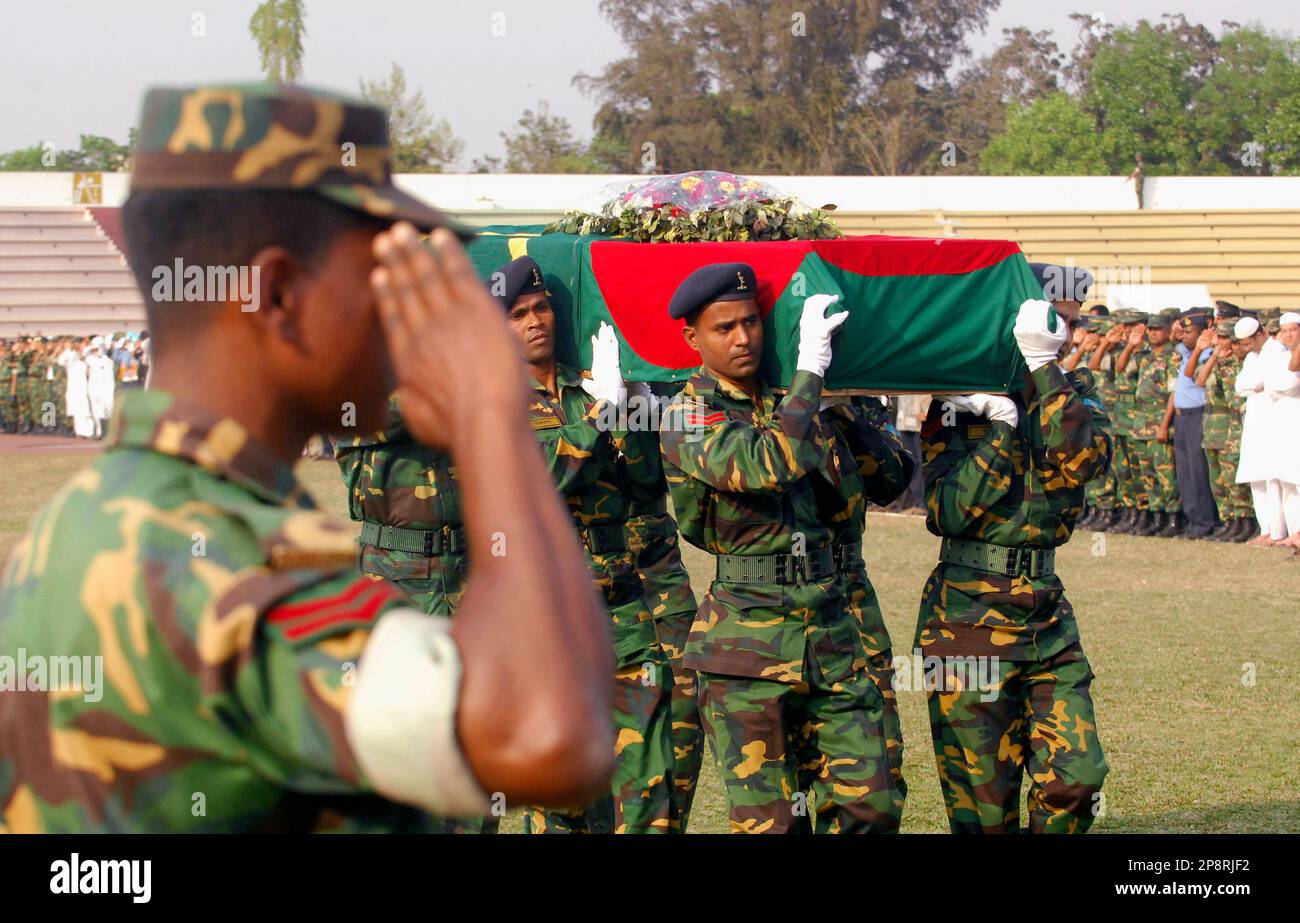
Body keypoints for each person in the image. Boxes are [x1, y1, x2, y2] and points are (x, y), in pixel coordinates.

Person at [0, 83, 615, 832]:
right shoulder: (243, 569)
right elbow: (552, 737)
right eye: (375, 276)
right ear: (282, 293)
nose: (399, 313)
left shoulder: (74, 524)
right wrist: (493, 417)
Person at [659, 263, 901, 834]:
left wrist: (843, 407)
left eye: (751, 322)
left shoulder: (802, 398)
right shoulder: (687, 415)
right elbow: (765, 464)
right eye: (725, 329)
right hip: (746, 638)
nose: (743, 338)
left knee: (871, 803)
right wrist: (809, 377)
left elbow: (889, 481)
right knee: (769, 823)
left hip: (832, 628)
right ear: (693, 338)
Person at [917, 264, 1110, 833]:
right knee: (983, 805)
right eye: (1056, 323)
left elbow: (1084, 460)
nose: (1066, 336)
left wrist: (1044, 371)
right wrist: (1000, 429)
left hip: (1046, 614)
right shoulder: (958, 399)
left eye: (1069, 326)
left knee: (1077, 778)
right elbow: (947, 512)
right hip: (967, 619)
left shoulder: (1077, 394)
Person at [496, 255, 676, 834]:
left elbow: (647, 486)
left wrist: (629, 407)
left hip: (622, 612)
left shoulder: (590, 388)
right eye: (518, 314)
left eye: (542, 308)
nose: (534, 321)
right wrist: (602, 413)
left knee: (649, 785)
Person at [334, 398, 496, 833]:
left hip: (466, 569)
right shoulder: (361, 372)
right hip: (392, 576)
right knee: (394, 734)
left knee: (471, 735)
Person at [824, 395, 915, 815]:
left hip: (849, 594)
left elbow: (892, 480)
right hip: (769, 598)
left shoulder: (859, 397)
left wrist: (842, 409)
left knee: (879, 766)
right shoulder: (750, 392)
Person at [619, 427, 705, 830]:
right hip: (573, 598)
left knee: (676, 758)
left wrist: (633, 405)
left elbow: (661, 477)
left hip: (661, 594)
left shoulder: (655, 391)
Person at [1197, 318, 1258, 542]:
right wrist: (1213, 356)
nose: (1224, 344)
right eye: (1220, 338)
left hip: (1232, 425)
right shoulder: (1219, 362)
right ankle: (1229, 520)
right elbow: (1200, 380)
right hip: (1212, 426)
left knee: (1233, 476)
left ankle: (1246, 521)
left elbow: (1235, 400)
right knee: (1218, 478)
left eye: (1228, 339)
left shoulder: (1240, 363)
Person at [1233, 316, 1288, 547]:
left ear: (1259, 334)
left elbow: (1270, 383)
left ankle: (1277, 532)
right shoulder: (1252, 357)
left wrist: (1256, 385)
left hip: (1272, 420)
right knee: (1255, 477)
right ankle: (1265, 528)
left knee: (1271, 479)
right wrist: (1255, 386)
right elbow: (1241, 386)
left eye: (1249, 343)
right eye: (1243, 344)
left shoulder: (1276, 351)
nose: (1246, 348)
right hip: (1255, 420)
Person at [1168, 310, 1219, 539]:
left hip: (1197, 415)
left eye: (1190, 333)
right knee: (1185, 471)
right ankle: (1192, 520)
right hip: (1181, 417)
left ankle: (1205, 521)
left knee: (1198, 471)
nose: (1184, 336)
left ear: (1202, 334)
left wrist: (1200, 346)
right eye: (1184, 332)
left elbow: (1194, 379)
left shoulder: (1207, 353)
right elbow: (1173, 341)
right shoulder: (1185, 352)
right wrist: (1175, 331)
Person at [1262, 312, 1300, 550]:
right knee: (1287, 481)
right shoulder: (1277, 353)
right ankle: (1294, 531)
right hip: (1283, 422)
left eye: (1293, 330)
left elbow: (1290, 378)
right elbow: (1274, 384)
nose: (1287, 334)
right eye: (1284, 330)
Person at [893, 393, 929, 511]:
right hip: (904, 421)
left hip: (919, 422)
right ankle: (905, 502)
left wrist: (925, 410)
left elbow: (927, 390)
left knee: (919, 464)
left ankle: (920, 502)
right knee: (908, 462)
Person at [85, 335, 116, 438]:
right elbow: (86, 354)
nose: (98, 349)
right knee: (96, 410)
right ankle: (99, 432)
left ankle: (108, 431)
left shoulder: (108, 360)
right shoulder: (90, 358)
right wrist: (93, 349)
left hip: (106, 387)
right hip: (94, 387)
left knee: (108, 409)